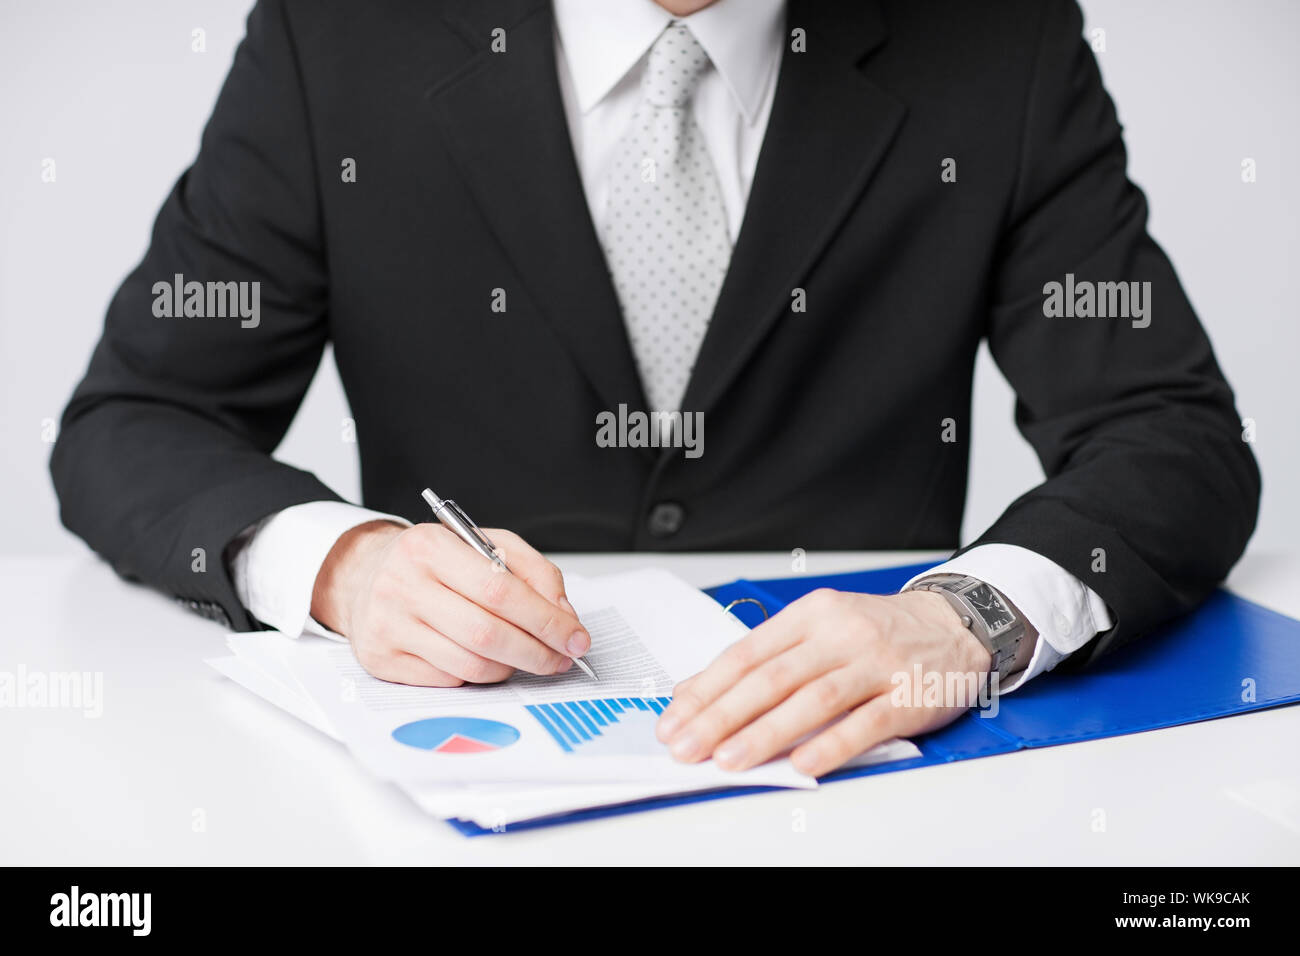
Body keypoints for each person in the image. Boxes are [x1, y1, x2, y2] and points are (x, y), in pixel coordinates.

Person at [52, 0, 1259, 777]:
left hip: (862, 791)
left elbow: (1167, 431)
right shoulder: (338, 40)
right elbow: (139, 416)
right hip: (469, 772)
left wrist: (965, 624)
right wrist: (345, 564)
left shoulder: (1003, 43)